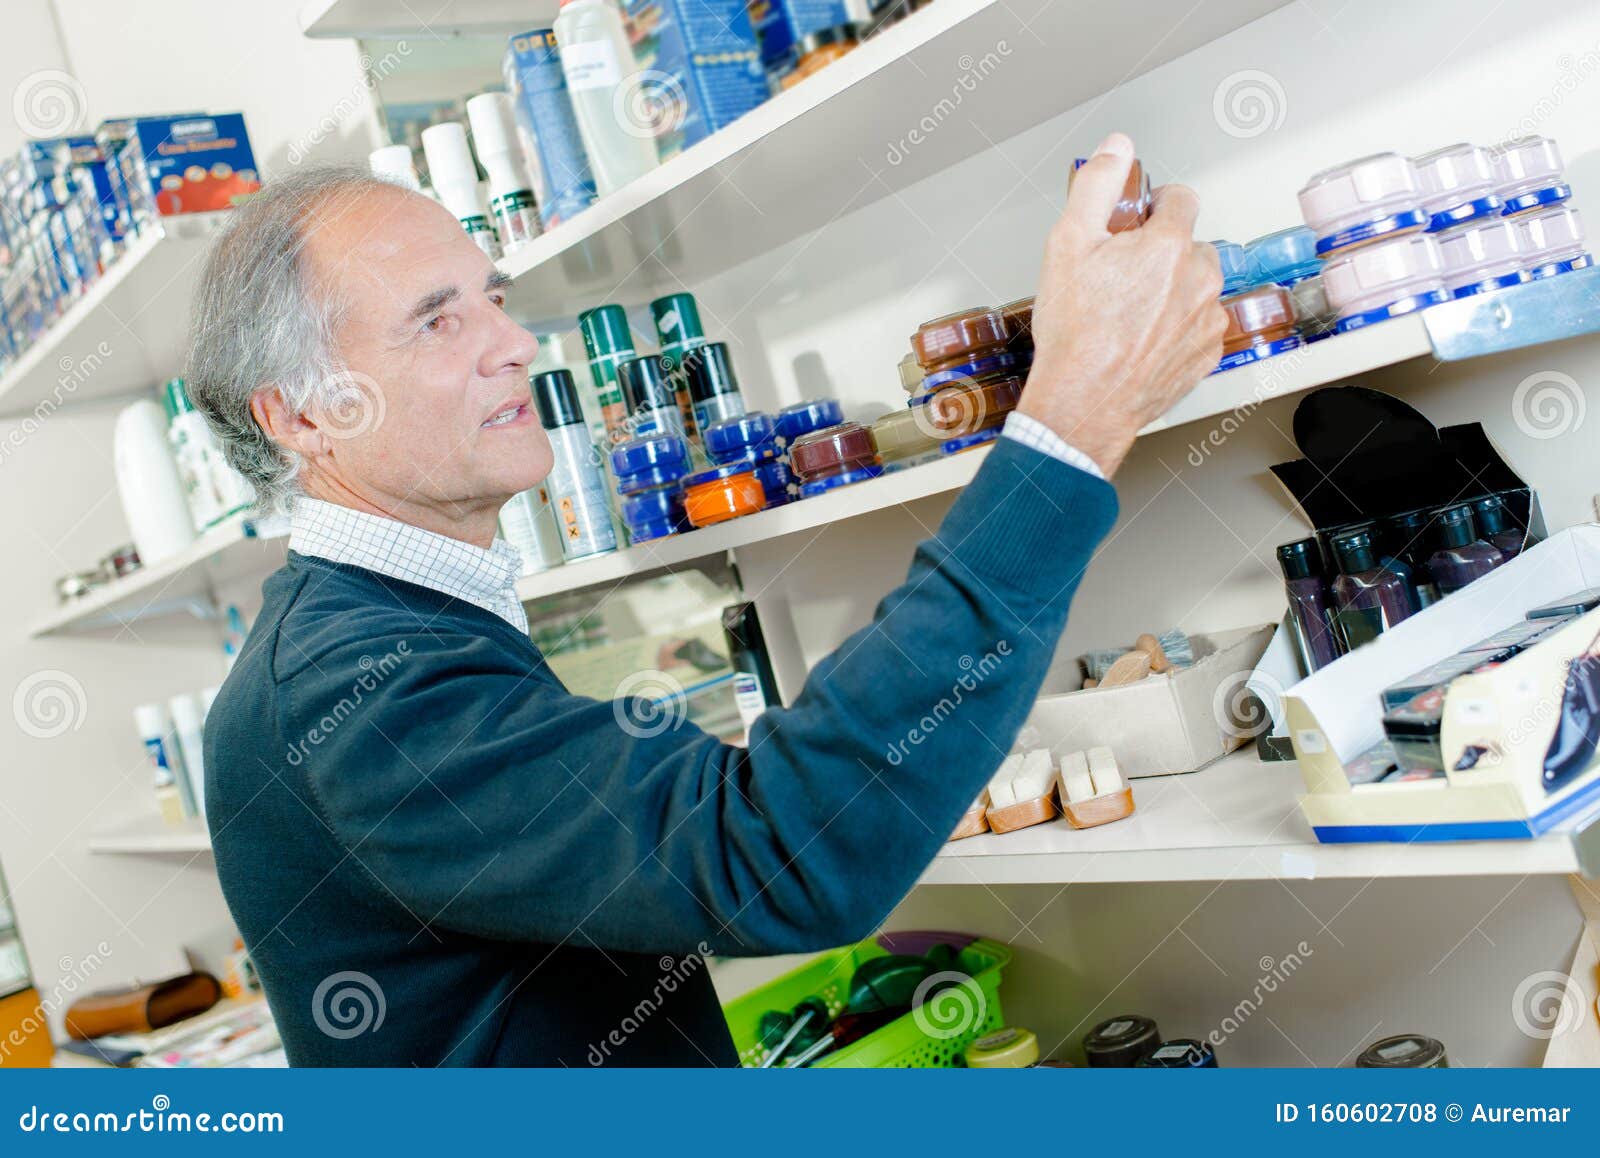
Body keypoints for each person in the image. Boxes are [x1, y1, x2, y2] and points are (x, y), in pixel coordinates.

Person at [188, 132, 1224, 1066]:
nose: (511, 343)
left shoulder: (389, 629)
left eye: (492, 297)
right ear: (300, 415)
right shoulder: (352, 684)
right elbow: (781, 851)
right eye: (435, 319)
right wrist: (1074, 417)